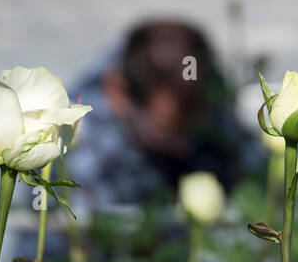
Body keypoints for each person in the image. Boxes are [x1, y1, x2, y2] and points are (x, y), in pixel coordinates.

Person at [65, 19, 260, 211]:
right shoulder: (81, 134)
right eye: (166, 128)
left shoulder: (201, 96)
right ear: (119, 93)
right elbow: (93, 223)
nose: (184, 146)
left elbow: (254, 164)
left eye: (193, 120)